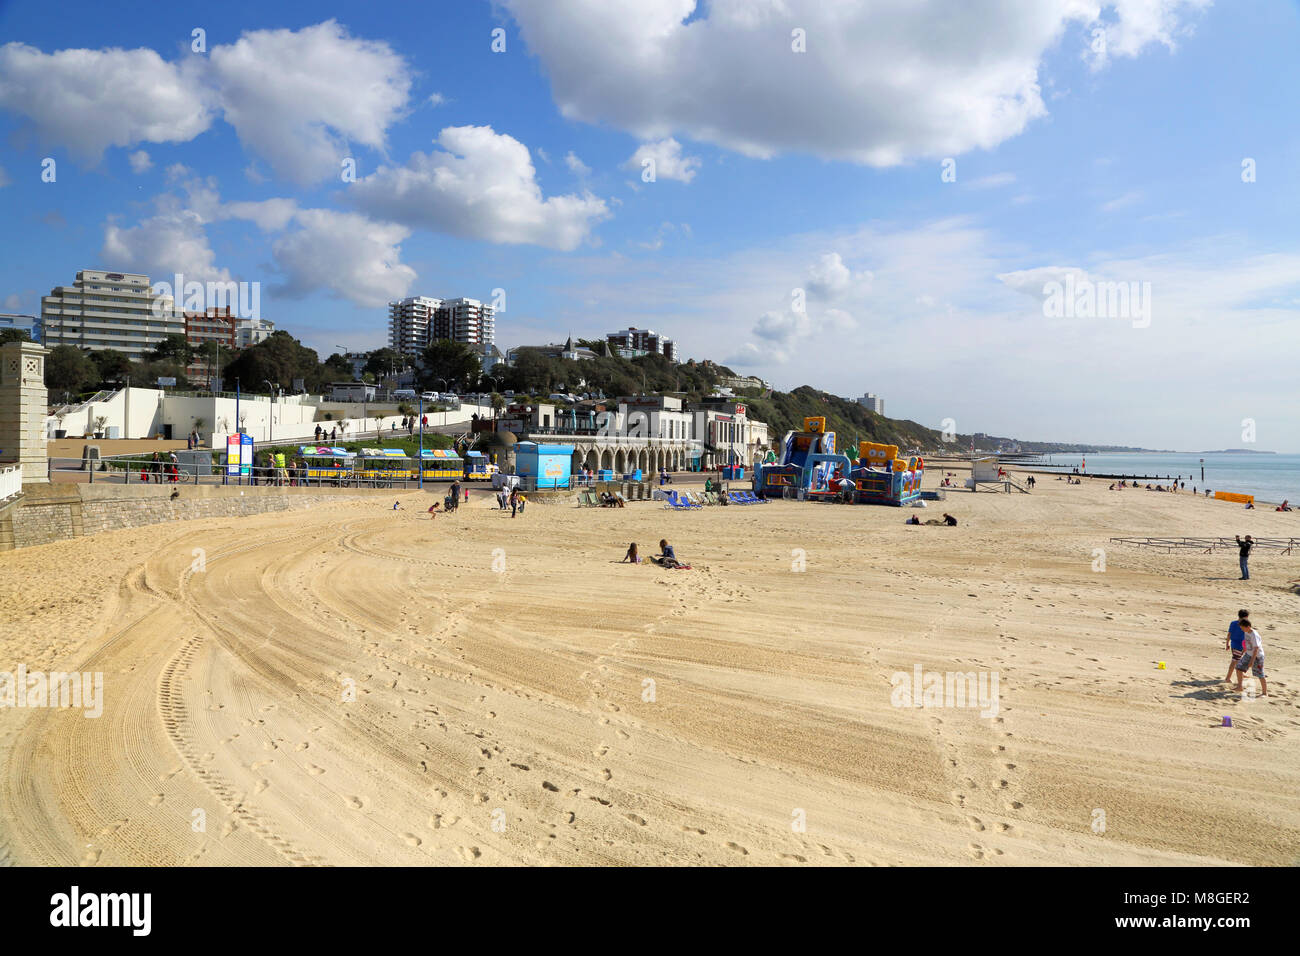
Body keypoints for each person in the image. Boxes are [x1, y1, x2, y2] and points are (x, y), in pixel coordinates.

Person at [1234, 619, 1267, 696]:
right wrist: (1243, 650)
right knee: (1238, 668)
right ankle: (1239, 687)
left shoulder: (1254, 635)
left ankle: (1265, 693)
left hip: (1257, 657)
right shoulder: (1246, 632)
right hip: (1248, 654)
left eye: (1242, 628)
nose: (1241, 629)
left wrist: (1252, 661)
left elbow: (1256, 649)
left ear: (1248, 627)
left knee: (1260, 674)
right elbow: (1246, 642)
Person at [1225, 609, 1249, 683]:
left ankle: (1240, 674)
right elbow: (1246, 636)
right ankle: (1227, 678)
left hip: (1234, 644)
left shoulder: (1233, 623)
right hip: (1239, 646)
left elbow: (1229, 634)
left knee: (1238, 661)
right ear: (1246, 617)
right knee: (1235, 661)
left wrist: (1227, 643)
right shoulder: (1244, 625)